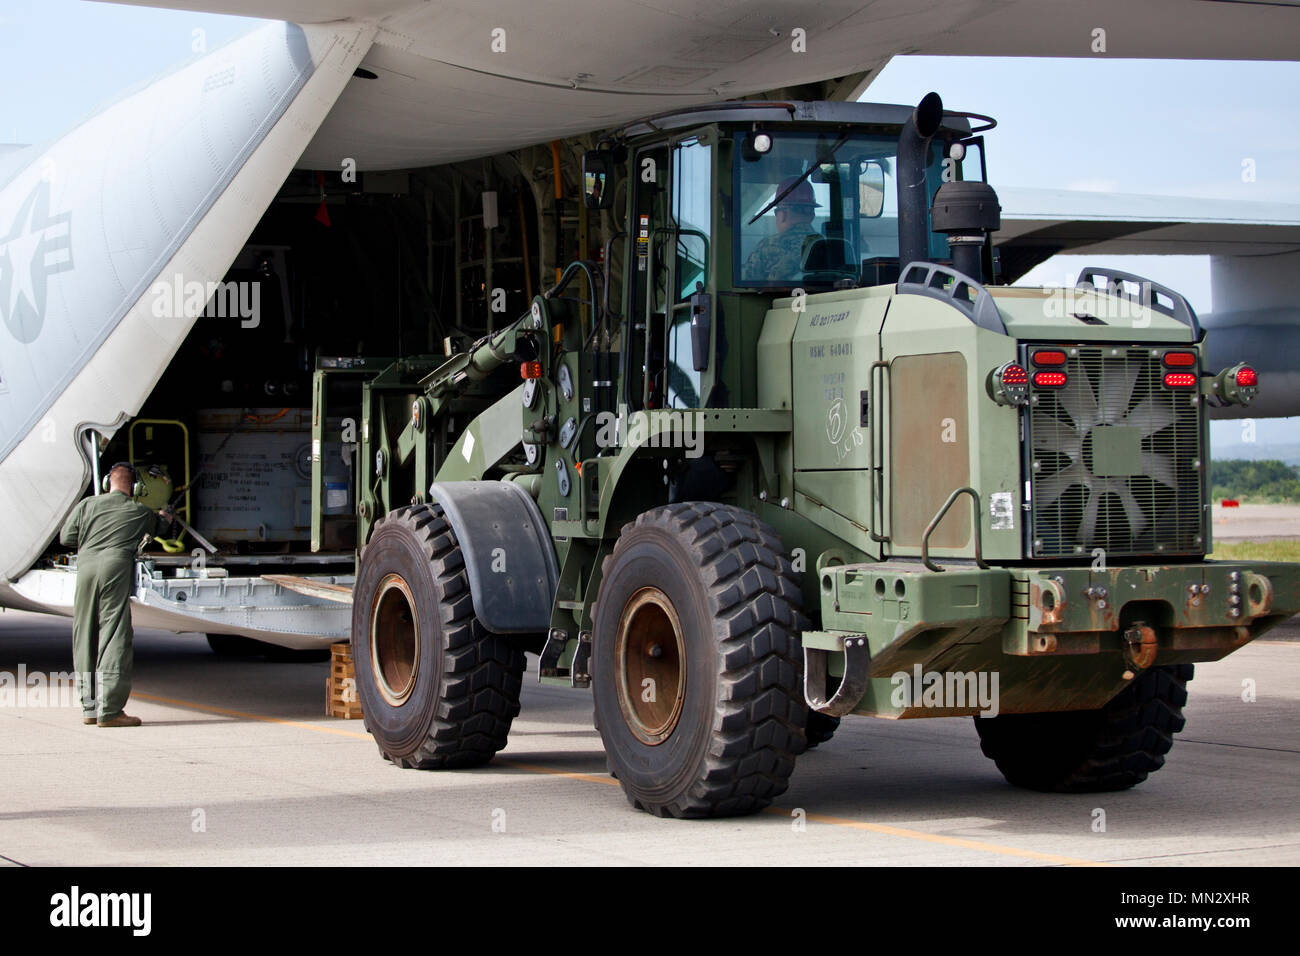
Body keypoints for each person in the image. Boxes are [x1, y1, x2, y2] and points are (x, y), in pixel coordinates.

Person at [59, 463, 176, 727]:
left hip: (87, 568)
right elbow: (159, 528)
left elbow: (67, 537)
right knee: (114, 633)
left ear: (105, 484)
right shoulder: (138, 511)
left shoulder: (87, 505)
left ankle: (89, 707)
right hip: (115, 568)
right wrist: (165, 516)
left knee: (84, 632)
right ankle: (110, 710)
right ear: (136, 488)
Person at [743, 176, 822, 282]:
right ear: (812, 215)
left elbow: (749, 284)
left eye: (776, 212)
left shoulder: (767, 246)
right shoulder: (829, 247)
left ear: (783, 214)